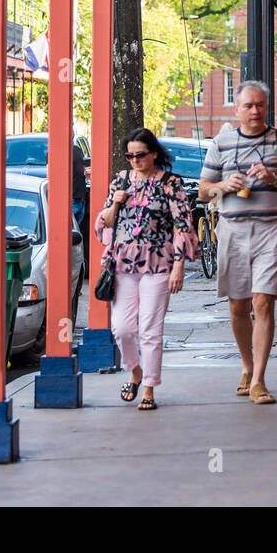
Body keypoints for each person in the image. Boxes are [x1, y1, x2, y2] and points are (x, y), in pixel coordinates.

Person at [197, 80, 277, 406]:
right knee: (238, 306)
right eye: (248, 106)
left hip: (272, 229)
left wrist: (275, 179)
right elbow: (204, 191)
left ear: (266, 107)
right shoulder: (222, 142)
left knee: (262, 302)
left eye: (260, 105)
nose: (255, 111)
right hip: (233, 230)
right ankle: (246, 366)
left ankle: (258, 380)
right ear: (237, 109)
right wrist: (225, 186)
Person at [96, 128, 198, 411]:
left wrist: (179, 266)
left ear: (153, 153)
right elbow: (104, 221)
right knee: (122, 329)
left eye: (140, 155)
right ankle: (135, 370)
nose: (134, 160)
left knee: (150, 329)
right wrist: (116, 203)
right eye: (130, 155)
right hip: (124, 263)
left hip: (159, 263)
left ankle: (149, 388)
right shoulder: (121, 180)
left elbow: (183, 226)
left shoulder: (170, 183)